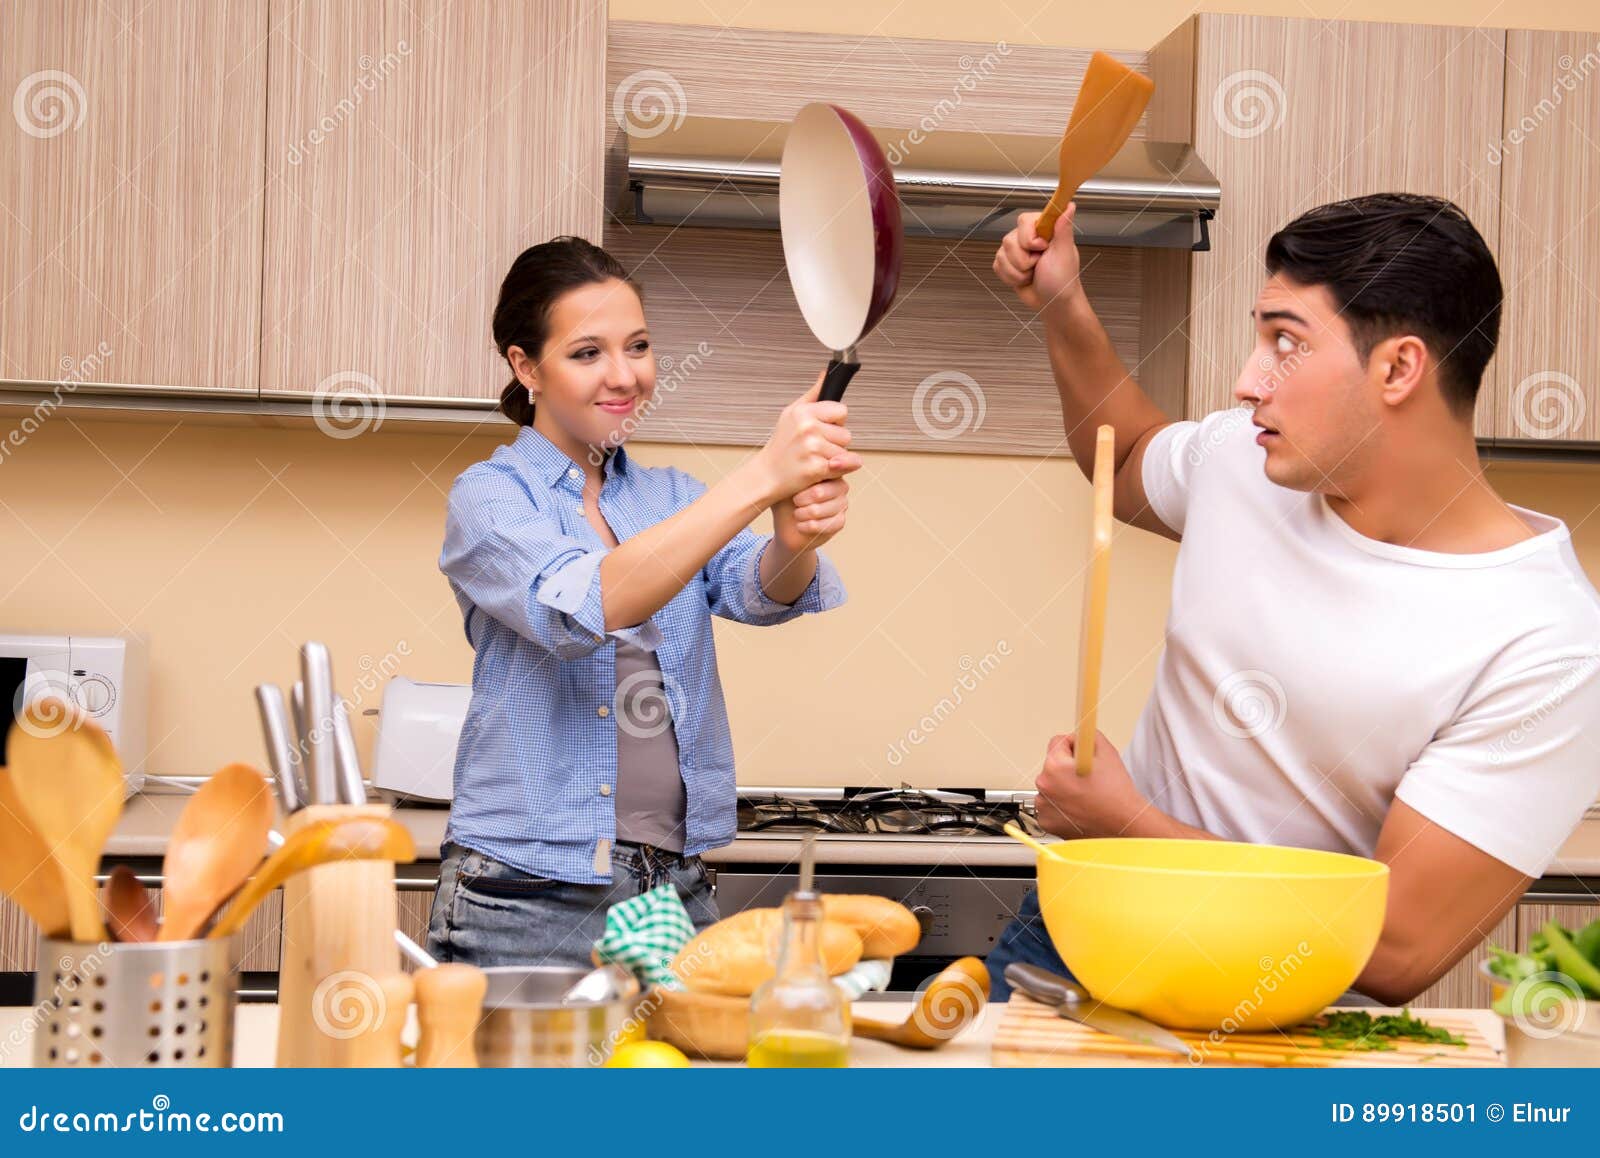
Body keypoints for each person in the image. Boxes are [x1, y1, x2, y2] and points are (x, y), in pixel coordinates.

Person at [986, 194, 1600, 1003]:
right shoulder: (1243, 463)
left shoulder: (1547, 644)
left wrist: (1127, 824)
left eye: (1286, 342)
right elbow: (1129, 452)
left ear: (1399, 369)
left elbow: (1397, 951)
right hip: (1070, 944)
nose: (1247, 382)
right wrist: (1064, 302)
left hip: (1271, 1009)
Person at [426, 236, 856, 967]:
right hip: (526, 896)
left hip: (675, 891)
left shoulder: (671, 497)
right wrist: (759, 478)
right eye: (587, 353)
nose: (623, 376)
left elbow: (761, 591)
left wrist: (792, 536)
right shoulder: (491, 499)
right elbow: (585, 605)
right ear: (526, 366)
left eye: (639, 346)